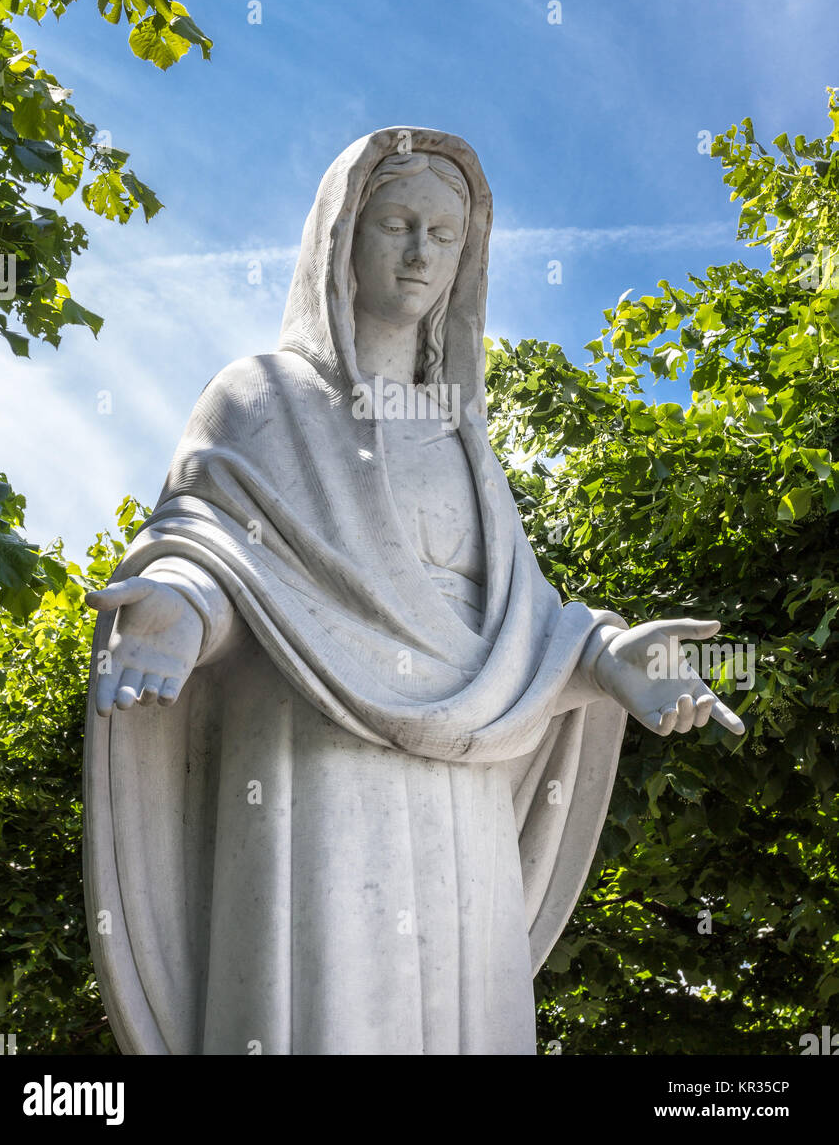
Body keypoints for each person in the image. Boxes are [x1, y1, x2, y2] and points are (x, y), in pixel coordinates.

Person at [84, 127, 743, 1055]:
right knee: (330, 1006)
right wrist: (181, 610)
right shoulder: (260, 398)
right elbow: (212, 547)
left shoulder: (463, 439)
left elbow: (516, 621)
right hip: (313, 754)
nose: (421, 251)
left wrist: (606, 658)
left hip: (462, 780)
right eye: (395, 222)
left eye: (445, 231)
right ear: (341, 239)